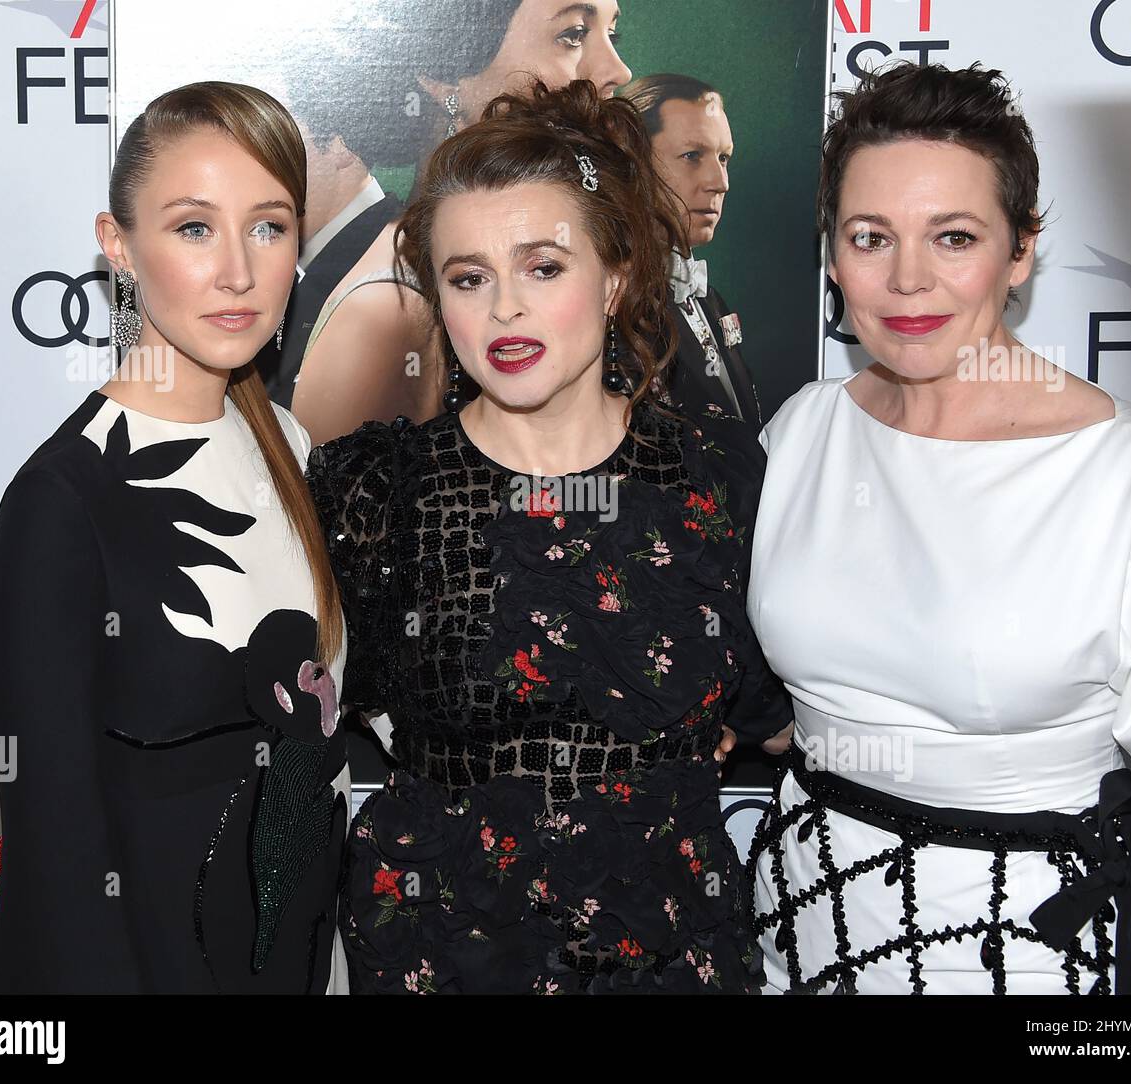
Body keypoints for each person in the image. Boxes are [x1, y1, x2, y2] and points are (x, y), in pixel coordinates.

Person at [307, 79, 789, 994]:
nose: (504, 311)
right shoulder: (380, 492)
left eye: (543, 267)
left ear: (614, 278)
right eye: (468, 278)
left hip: (669, 956)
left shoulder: (717, 475)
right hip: (438, 958)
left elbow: (770, 713)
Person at [746, 62, 1131, 994]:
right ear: (832, 253)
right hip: (795, 926)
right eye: (870, 236)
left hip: (1026, 954)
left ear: (1021, 251)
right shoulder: (802, 429)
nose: (908, 278)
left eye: (953, 237)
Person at [0, 82, 351, 994]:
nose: (237, 269)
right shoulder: (61, 503)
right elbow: (56, 869)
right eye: (194, 228)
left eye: (269, 227)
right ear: (117, 246)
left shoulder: (289, 446)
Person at [290, 0, 633, 447]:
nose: (618, 70)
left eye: (545, 269)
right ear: (445, 76)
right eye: (572, 34)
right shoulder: (388, 311)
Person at [625, 74, 762, 430]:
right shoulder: (614, 310)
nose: (720, 182)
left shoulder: (711, 300)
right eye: (691, 155)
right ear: (632, 163)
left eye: (724, 158)